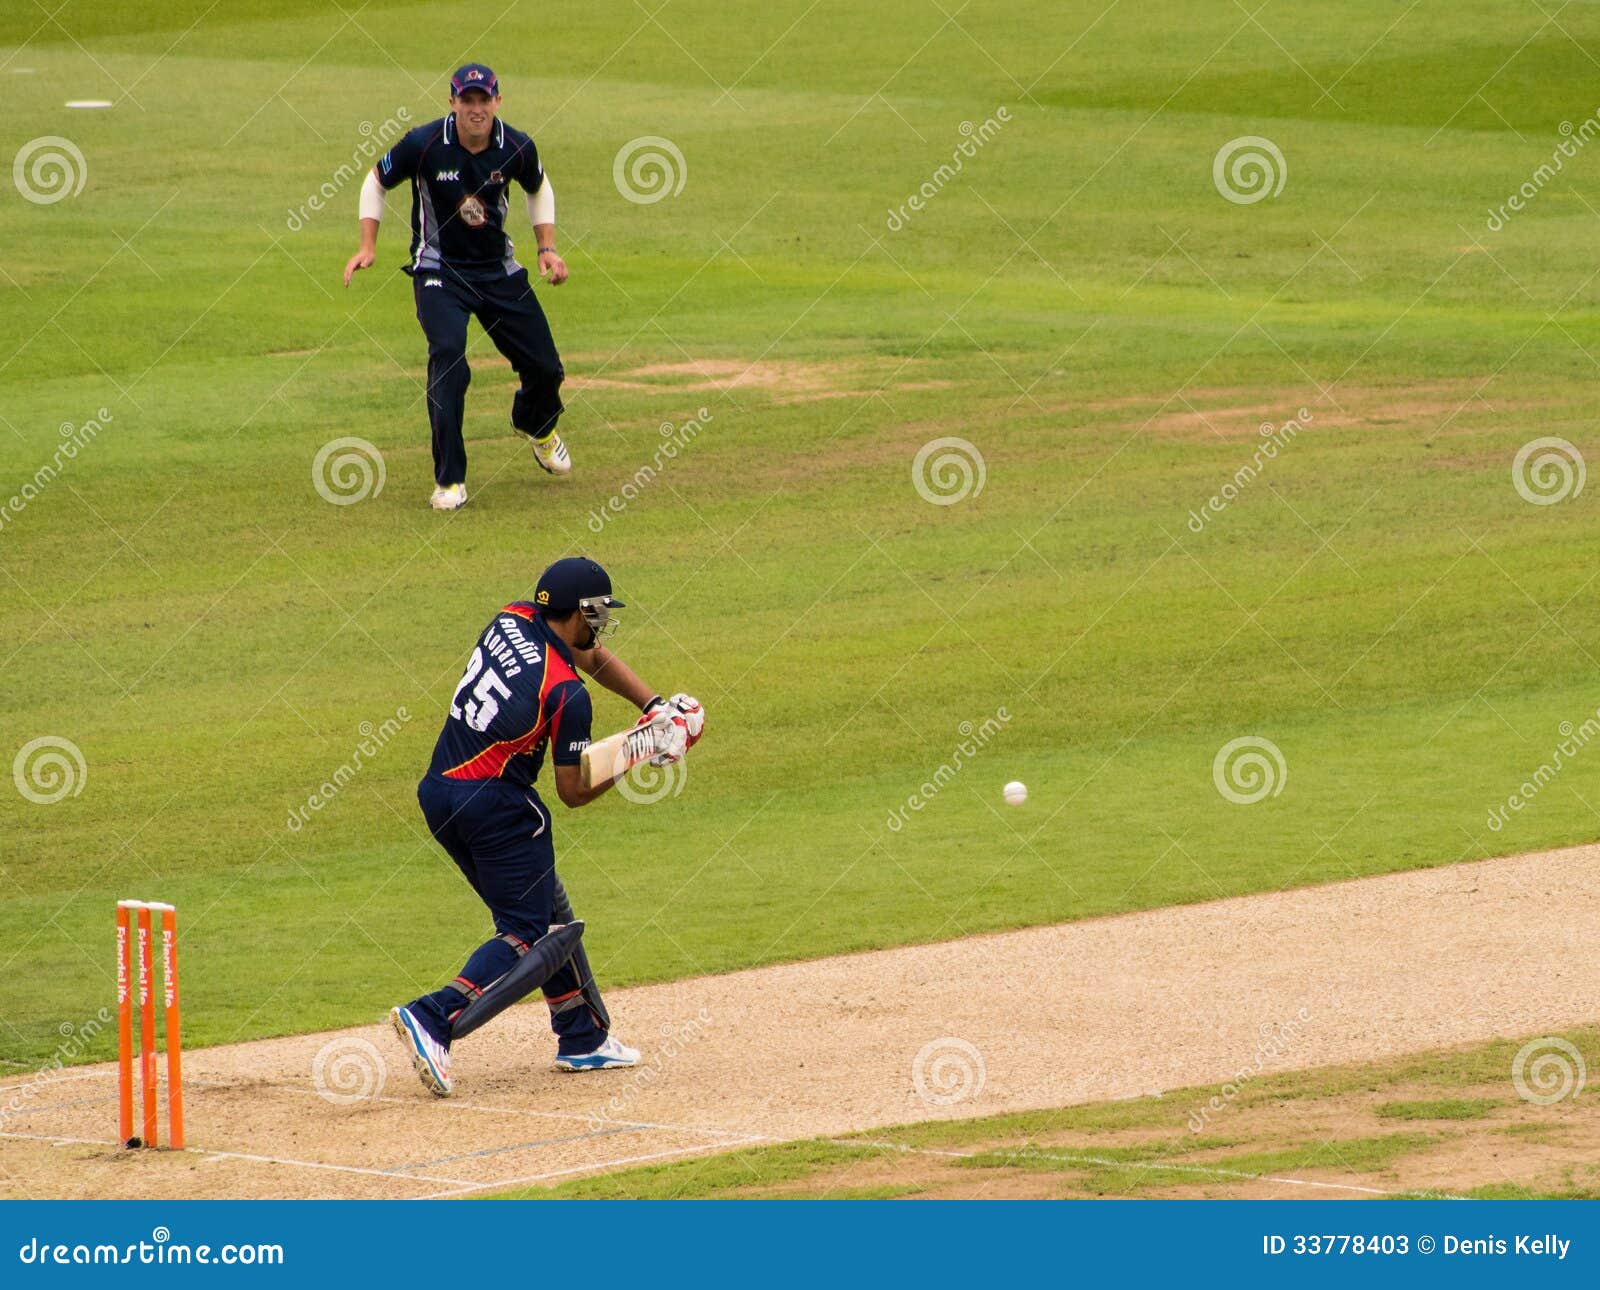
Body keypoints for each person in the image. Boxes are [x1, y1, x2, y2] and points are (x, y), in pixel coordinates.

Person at [391, 557, 704, 1093]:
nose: (602, 623)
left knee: (547, 906)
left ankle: (582, 1036)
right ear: (578, 611)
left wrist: (651, 705)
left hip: (439, 792)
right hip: (497, 808)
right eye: (598, 613)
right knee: (526, 933)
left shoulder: (511, 618)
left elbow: (586, 653)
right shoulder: (566, 694)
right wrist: (646, 744)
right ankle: (433, 1017)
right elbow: (574, 790)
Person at [343, 63, 574, 511]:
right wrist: (366, 245)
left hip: (497, 269)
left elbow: (538, 187)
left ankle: (536, 424)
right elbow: (376, 180)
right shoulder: (423, 143)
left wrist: (547, 247)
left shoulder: (516, 145)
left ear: (497, 103)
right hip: (439, 271)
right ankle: (450, 481)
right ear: (452, 103)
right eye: (466, 100)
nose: (475, 109)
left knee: (546, 367)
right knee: (448, 359)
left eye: (483, 100)